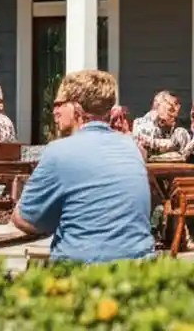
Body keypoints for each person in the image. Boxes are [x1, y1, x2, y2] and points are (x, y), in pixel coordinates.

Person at [12, 70, 154, 263]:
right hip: (140, 266)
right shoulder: (133, 149)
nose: (54, 111)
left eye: (59, 104)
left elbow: (24, 219)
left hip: (84, 272)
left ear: (76, 109)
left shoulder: (59, 151)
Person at [133, 91, 193, 157]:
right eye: (171, 109)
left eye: (177, 111)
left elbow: (185, 147)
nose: (175, 114)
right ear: (157, 105)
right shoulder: (141, 124)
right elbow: (144, 146)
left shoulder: (176, 125)